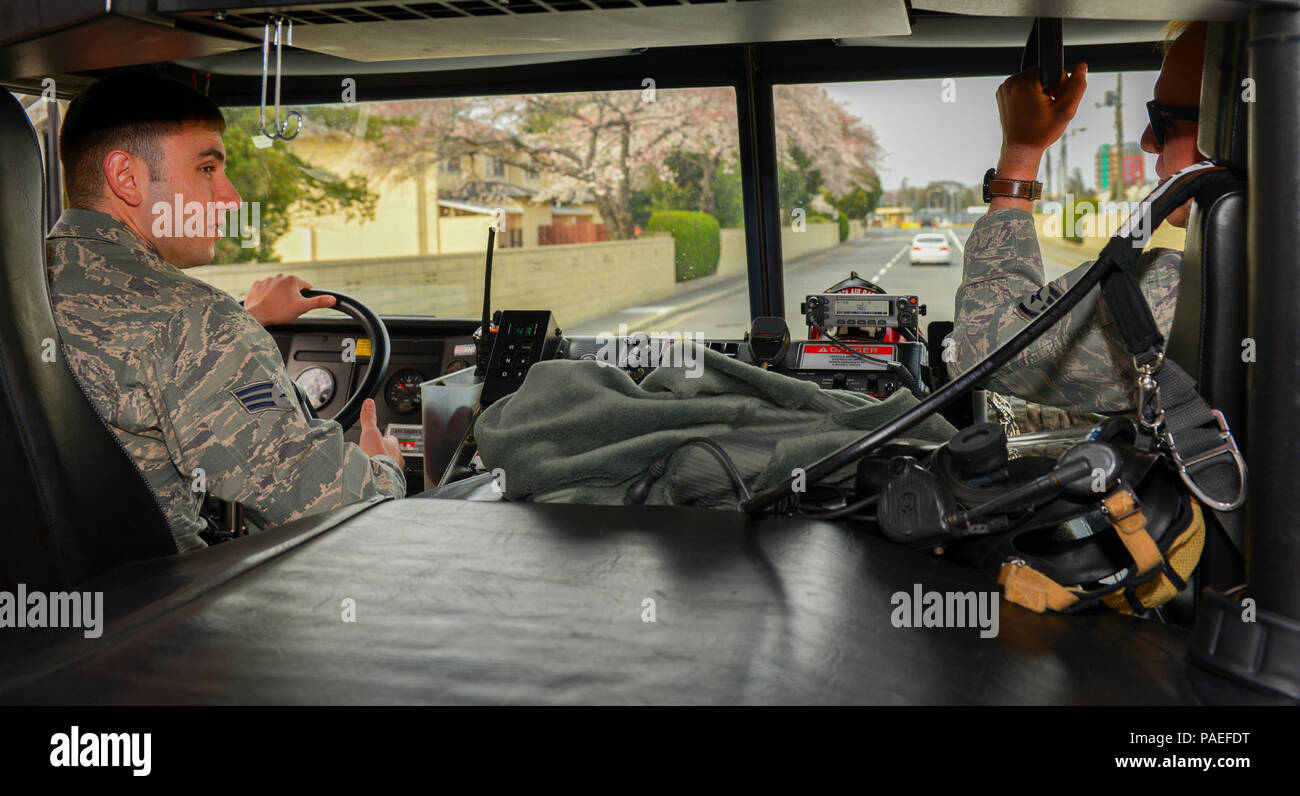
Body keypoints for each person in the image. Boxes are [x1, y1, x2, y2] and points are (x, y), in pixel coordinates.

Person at [47, 73, 406, 552]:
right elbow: (335, 505)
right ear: (127, 177)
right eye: (207, 169)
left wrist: (246, 319)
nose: (232, 198)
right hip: (161, 609)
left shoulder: (25, 285)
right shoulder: (195, 320)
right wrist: (385, 470)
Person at [952, 21, 1207, 418]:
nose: (1147, 141)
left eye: (1166, 119)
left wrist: (1019, 154)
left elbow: (976, 352)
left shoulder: (1185, 294)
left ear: (1242, 130)